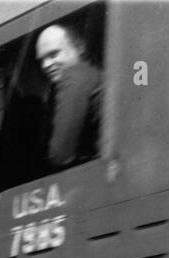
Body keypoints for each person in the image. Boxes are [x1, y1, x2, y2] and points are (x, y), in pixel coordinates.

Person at [36, 23, 101, 169]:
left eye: (53, 54)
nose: (46, 64)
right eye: (41, 59)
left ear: (80, 47)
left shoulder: (75, 75)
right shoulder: (94, 74)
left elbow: (61, 153)